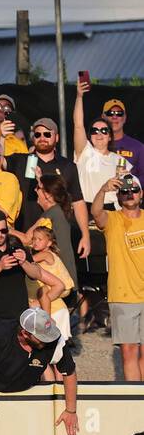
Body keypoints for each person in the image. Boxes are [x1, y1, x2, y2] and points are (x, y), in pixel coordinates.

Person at [0, 308, 79, 435]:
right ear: (25, 333)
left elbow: (69, 372)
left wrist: (71, 411)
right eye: (42, 337)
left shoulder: (54, 340)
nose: (48, 340)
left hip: (28, 395)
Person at [0, 211, 65, 340]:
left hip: (21, 320)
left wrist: (24, 263)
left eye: (3, 230)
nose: (0, 234)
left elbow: (37, 274)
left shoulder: (20, 251)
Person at [91, 173, 144, 382]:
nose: (130, 194)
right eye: (124, 191)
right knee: (129, 352)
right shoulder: (112, 219)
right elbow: (95, 212)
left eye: (134, 190)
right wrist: (104, 189)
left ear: (142, 194)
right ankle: (136, 402)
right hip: (123, 295)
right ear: (119, 196)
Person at [73, 83, 133, 211]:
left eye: (104, 131)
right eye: (95, 131)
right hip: (86, 208)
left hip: (112, 210)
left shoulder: (119, 160)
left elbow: (128, 192)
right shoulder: (84, 152)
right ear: (89, 136)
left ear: (110, 136)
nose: (99, 134)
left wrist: (126, 180)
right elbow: (78, 124)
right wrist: (79, 96)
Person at [102, 98, 144, 166]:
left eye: (119, 113)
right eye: (110, 113)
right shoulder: (94, 145)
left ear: (124, 118)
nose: (114, 117)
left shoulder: (138, 148)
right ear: (103, 117)